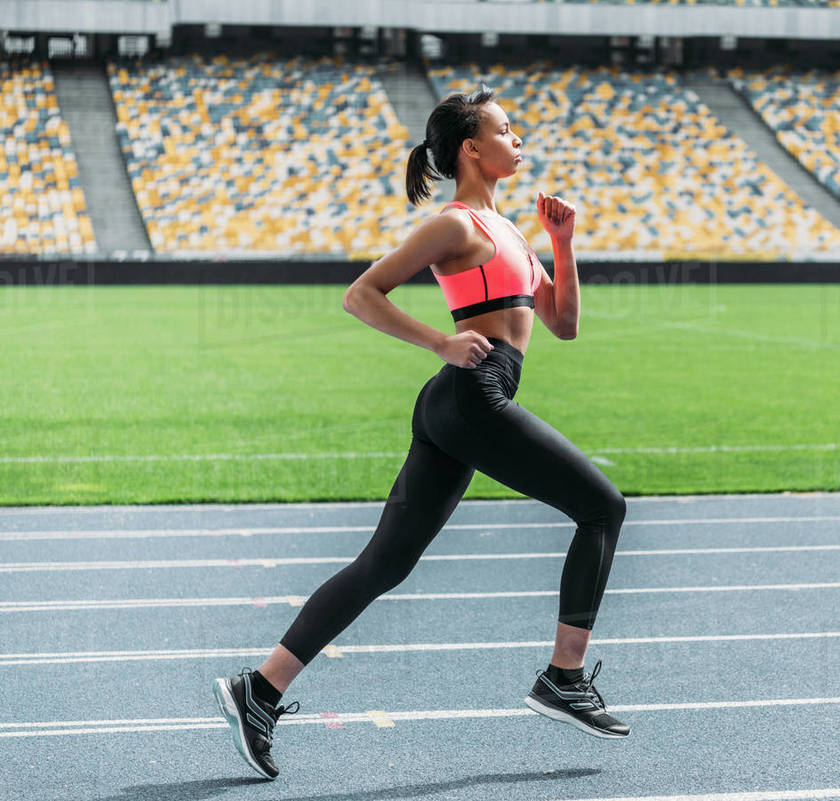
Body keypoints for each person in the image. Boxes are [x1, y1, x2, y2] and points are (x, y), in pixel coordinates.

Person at [211, 85, 630, 781]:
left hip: (462, 405)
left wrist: (563, 243)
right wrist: (440, 341)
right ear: (472, 148)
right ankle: (565, 675)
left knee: (386, 563)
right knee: (603, 507)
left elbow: (564, 324)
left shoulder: (514, 230)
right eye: (506, 128)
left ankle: (260, 688)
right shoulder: (455, 224)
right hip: (471, 393)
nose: (518, 138)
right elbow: (361, 294)